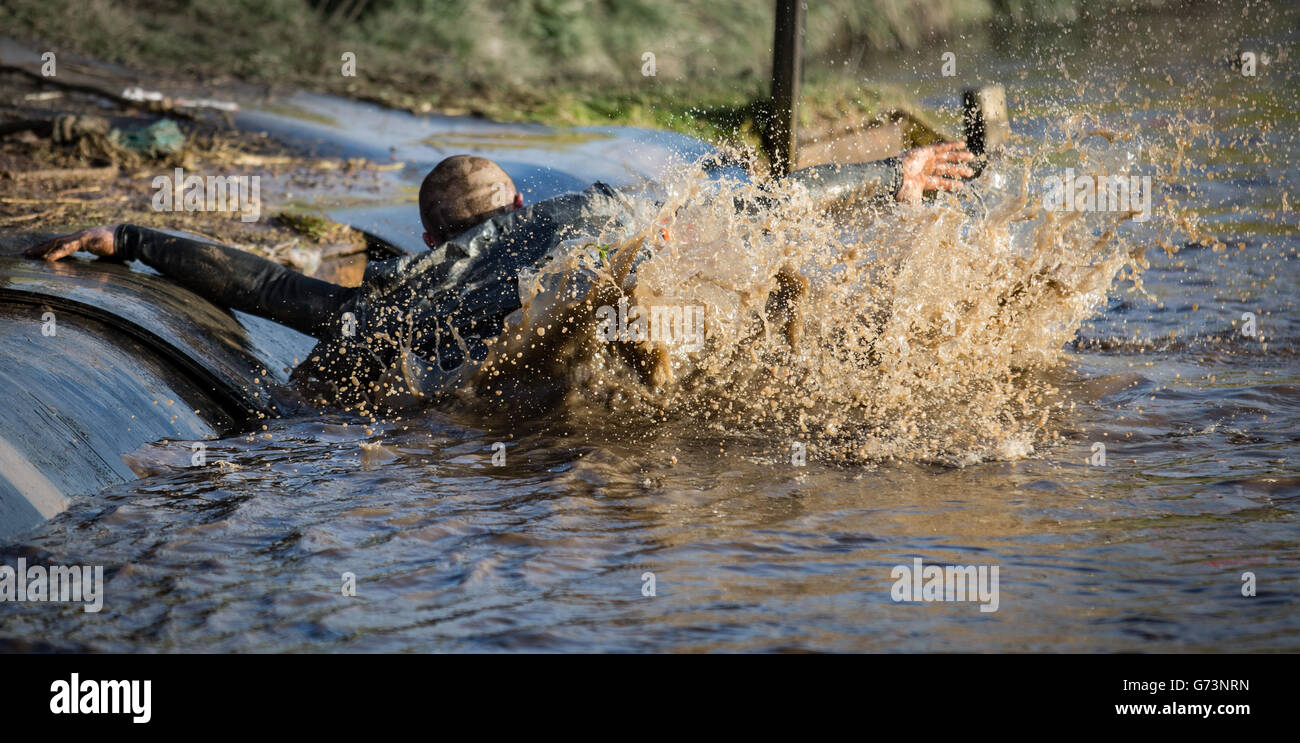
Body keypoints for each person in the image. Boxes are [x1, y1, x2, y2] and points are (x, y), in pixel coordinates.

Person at [27, 145, 975, 410]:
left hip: (517, 344)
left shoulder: (407, 289)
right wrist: (878, 177)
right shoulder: (604, 205)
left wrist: (136, 237)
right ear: (518, 203)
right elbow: (758, 198)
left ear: (434, 232)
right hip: (637, 275)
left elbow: (275, 291)